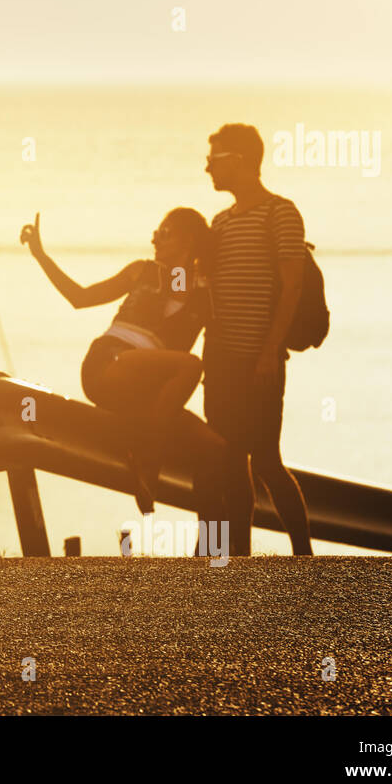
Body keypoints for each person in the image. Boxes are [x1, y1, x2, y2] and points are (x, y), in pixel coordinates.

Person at [20, 207, 213, 515]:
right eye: (155, 233)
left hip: (147, 390)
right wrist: (40, 255)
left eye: (164, 233)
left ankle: (213, 553)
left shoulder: (204, 294)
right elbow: (79, 297)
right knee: (191, 365)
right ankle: (148, 459)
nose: (155, 239)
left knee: (215, 449)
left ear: (188, 240)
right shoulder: (141, 271)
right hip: (109, 364)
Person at [203, 123, 313, 555]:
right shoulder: (220, 222)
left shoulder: (280, 213)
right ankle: (239, 560)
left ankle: (304, 556)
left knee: (266, 461)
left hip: (261, 361)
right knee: (229, 462)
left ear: (241, 161)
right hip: (223, 362)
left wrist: (270, 349)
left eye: (213, 159)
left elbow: (293, 286)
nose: (206, 168)